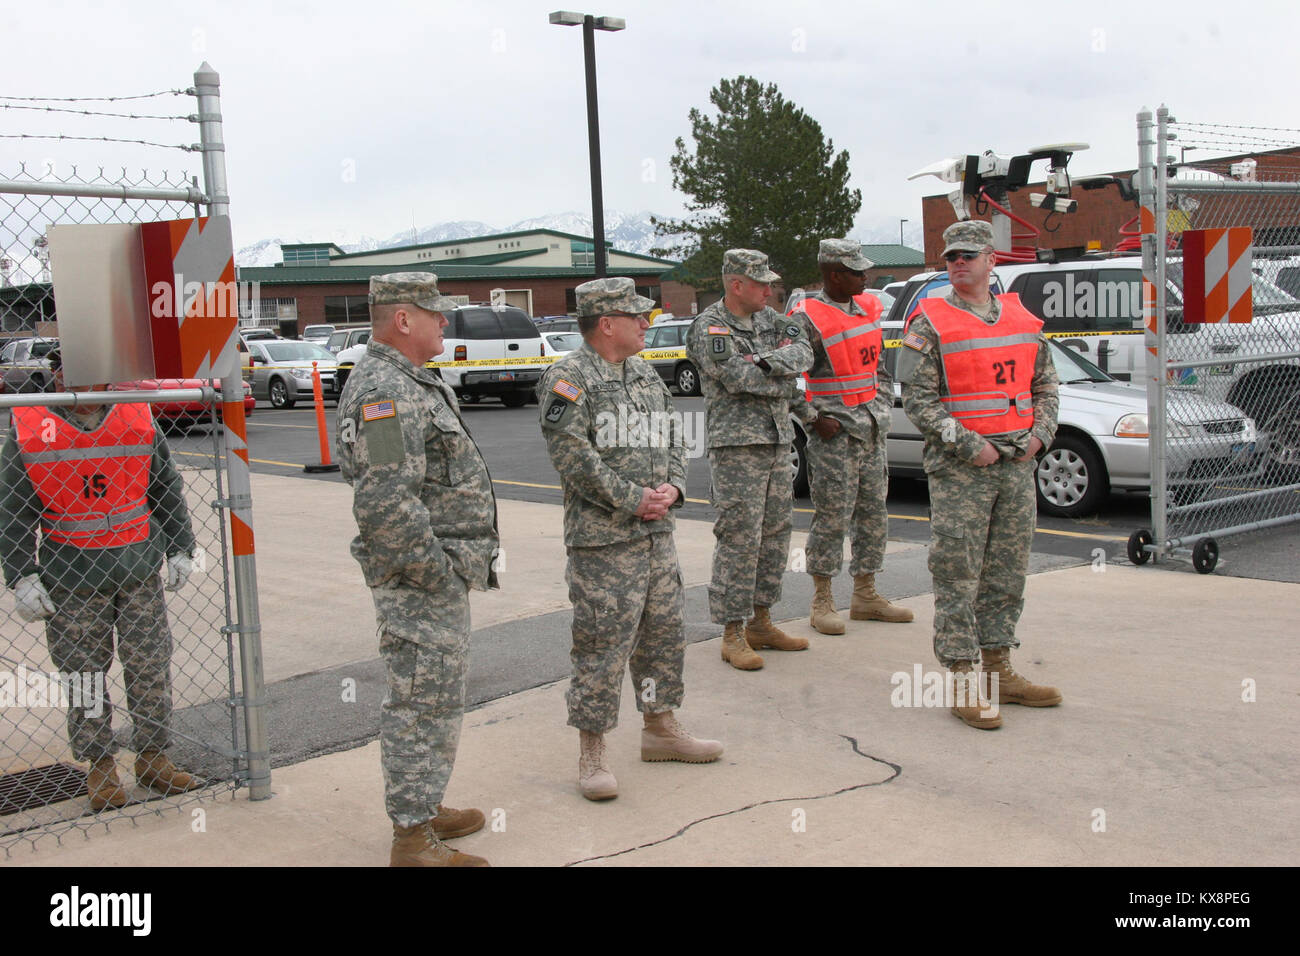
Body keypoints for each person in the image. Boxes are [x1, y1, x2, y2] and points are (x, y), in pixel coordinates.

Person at [538, 277, 723, 801]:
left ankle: (660, 728)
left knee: (663, 633)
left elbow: (673, 436)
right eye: (637, 317)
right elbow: (572, 456)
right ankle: (592, 752)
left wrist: (674, 487)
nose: (647, 325)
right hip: (604, 542)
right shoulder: (568, 378)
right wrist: (631, 497)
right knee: (601, 644)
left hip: (655, 534)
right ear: (606, 323)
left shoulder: (644, 375)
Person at [336, 273, 498, 866]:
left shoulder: (407, 380)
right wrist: (437, 573)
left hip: (434, 577)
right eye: (436, 314)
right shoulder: (384, 391)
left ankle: (423, 806)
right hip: (418, 581)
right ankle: (410, 838)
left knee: (436, 696)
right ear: (403, 319)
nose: (445, 323)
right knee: (417, 701)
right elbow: (385, 502)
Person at [0, 347, 203, 810]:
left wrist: (180, 546)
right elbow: (12, 510)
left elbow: (163, 484)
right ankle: (100, 766)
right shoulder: (31, 429)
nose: (91, 389)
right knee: (84, 675)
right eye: (78, 377)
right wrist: (22, 576)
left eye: (99, 377)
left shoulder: (135, 415)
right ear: (58, 376)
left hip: (136, 569)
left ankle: (154, 757)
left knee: (150, 666)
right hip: (72, 577)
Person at [896, 221, 1063, 729]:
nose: (958, 263)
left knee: (1006, 573)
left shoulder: (1021, 317)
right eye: (951, 257)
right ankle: (963, 679)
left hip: (1016, 465)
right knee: (957, 574)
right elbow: (917, 401)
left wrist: (1040, 436)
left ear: (992, 260)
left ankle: (999, 669)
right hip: (963, 472)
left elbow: (1047, 383)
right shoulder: (929, 321)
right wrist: (971, 446)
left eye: (968, 255)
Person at [685, 249, 814, 671]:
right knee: (740, 537)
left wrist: (767, 364)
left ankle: (761, 620)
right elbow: (737, 379)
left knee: (776, 534)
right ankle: (731, 631)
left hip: (777, 441)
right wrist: (781, 378)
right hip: (738, 447)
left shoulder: (769, 320)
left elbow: (804, 351)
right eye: (761, 284)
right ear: (736, 284)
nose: (769, 290)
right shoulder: (710, 327)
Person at [788, 239, 914, 635]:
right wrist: (812, 419)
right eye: (857, 272)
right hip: (834, 433)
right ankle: (822, 599)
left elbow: (878, 365)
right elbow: (781, 377)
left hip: (871, 430)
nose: (866, 277)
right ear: (833, 275)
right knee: (832, 517)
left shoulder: (869, 309)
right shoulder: (805, 317)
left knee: (874, 514)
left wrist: (881, 406)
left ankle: (865, 594)